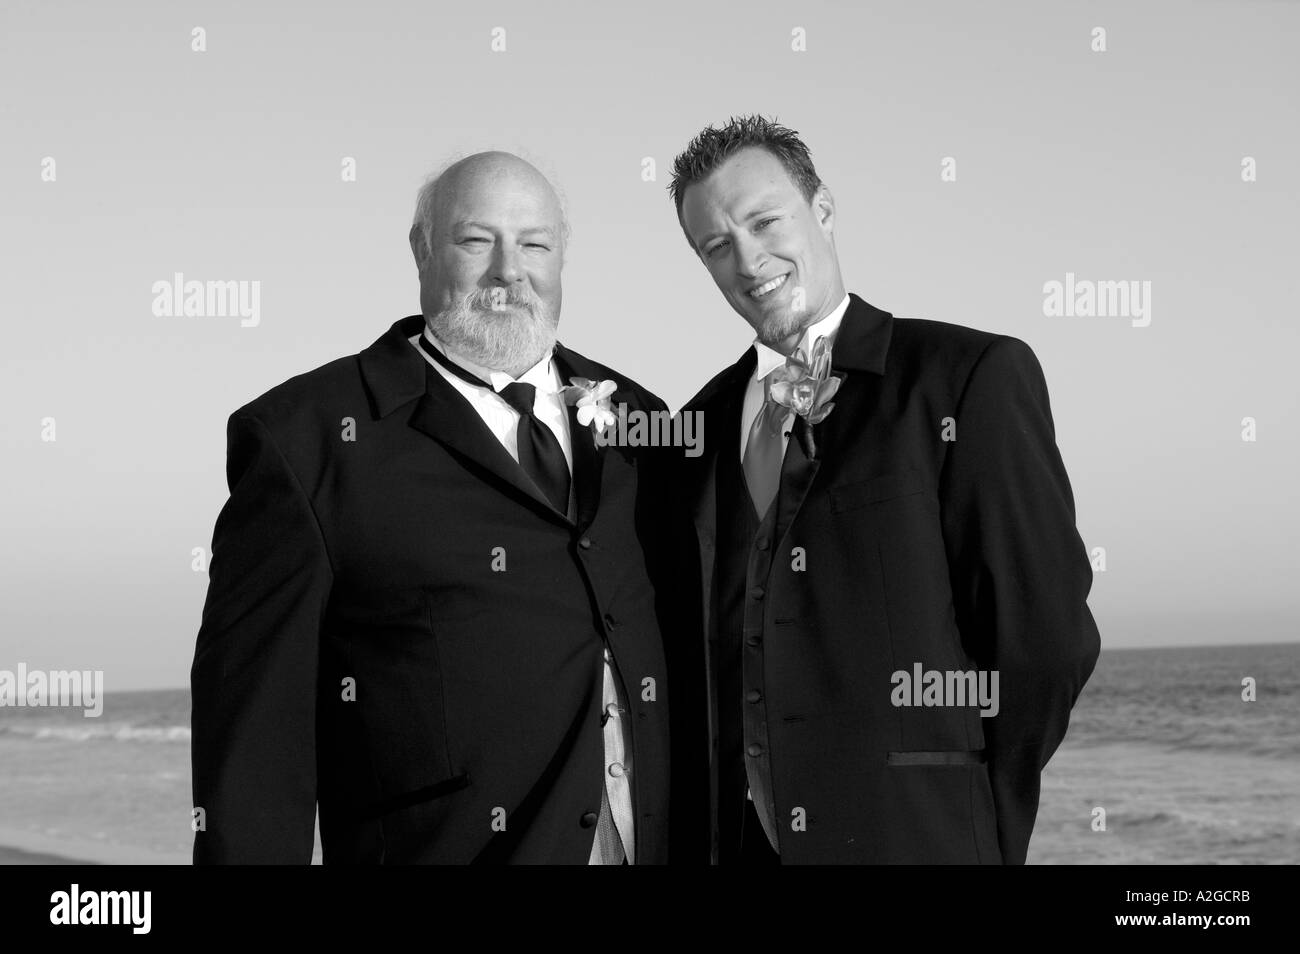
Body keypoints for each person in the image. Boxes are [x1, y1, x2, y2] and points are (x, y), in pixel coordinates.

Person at [191, 151, 676, 864]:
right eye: (476, 240)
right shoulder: (308, 439)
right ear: (421, 251)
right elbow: (256, 741)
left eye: (534, 244)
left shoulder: (641, 418)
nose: (509, 271)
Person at [667, 115, 1101, 864]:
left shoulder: (966, 377)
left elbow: (1044, 643)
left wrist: (971, 806)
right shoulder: (697, 424)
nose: (748, 259)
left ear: (824, 211)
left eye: (765, 221)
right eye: (715, 246)